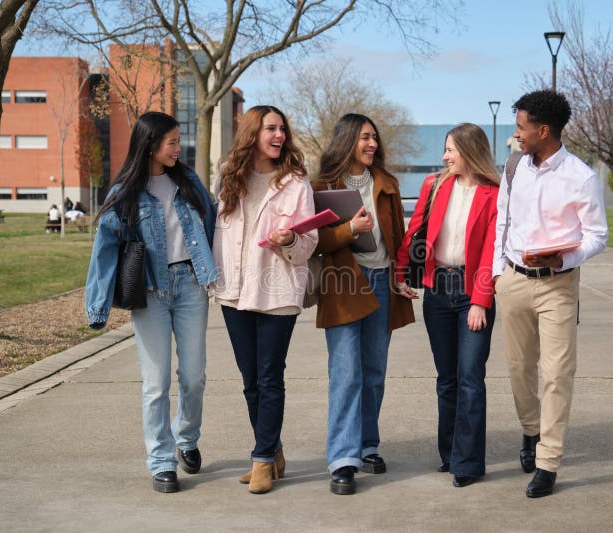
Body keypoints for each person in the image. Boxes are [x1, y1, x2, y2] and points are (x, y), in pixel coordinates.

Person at [84, 111, 219, 493]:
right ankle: (161, 461)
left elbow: (212, 223)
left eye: (179, 141)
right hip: (151, 293)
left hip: (191, 286)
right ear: (150, 145)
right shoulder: (125, 191)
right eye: (172, 142)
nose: (179, 148)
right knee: (155, 383)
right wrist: (98, 306)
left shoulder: (188, 181)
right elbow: (104, 249)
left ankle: (186, 439)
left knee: (194, 378)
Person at [492, 90, 608, 498]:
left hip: (558, 284)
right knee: (519, 368)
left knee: (557, 374)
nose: (516, 134)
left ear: (544, 130)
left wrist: (567, 258)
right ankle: (530, 429)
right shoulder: (513, 167)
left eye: (521, 127)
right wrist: (496, 275)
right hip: (514, 280)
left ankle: (548, 461)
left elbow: (597, 236)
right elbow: (502, 221)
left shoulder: (581, 176)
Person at [210, 105, 317, 495]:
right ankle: (272, 451)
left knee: (270, 376)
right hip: (233, 291)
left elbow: (309, 241)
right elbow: (218, 232)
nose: (279, 136)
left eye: (282, 129)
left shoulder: (296, 182)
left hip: (276, 289)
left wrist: (291, 240)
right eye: (271, 128)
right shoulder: (227, 177)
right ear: (252, 133)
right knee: (250, 379)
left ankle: (260, 459)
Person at [312, 113, 414, 495]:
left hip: (381, 282)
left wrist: (402, 277)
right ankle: (343, 458)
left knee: (373, 371)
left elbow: (399, 240)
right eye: (364, 138)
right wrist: (349, 230)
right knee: (345, 373)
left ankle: (368, 445)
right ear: (347, 141)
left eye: (374, 137)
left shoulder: (386, 184)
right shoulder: (323, 185)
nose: (372, 144)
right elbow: (316, 241)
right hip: (343, 283)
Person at [396, 123, 500, 488]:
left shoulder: (494, 193)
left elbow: (491, 249)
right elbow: (417, 230)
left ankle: (467, 464)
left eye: (451, 150)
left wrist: (480, 301)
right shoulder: (435, 185)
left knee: (471, 378)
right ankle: (450, 454)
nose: (444, 156)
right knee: (448, 380)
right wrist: (401, 273)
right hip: (437, 292)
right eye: (445, 150)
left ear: (470, 152)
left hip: (472, 293)